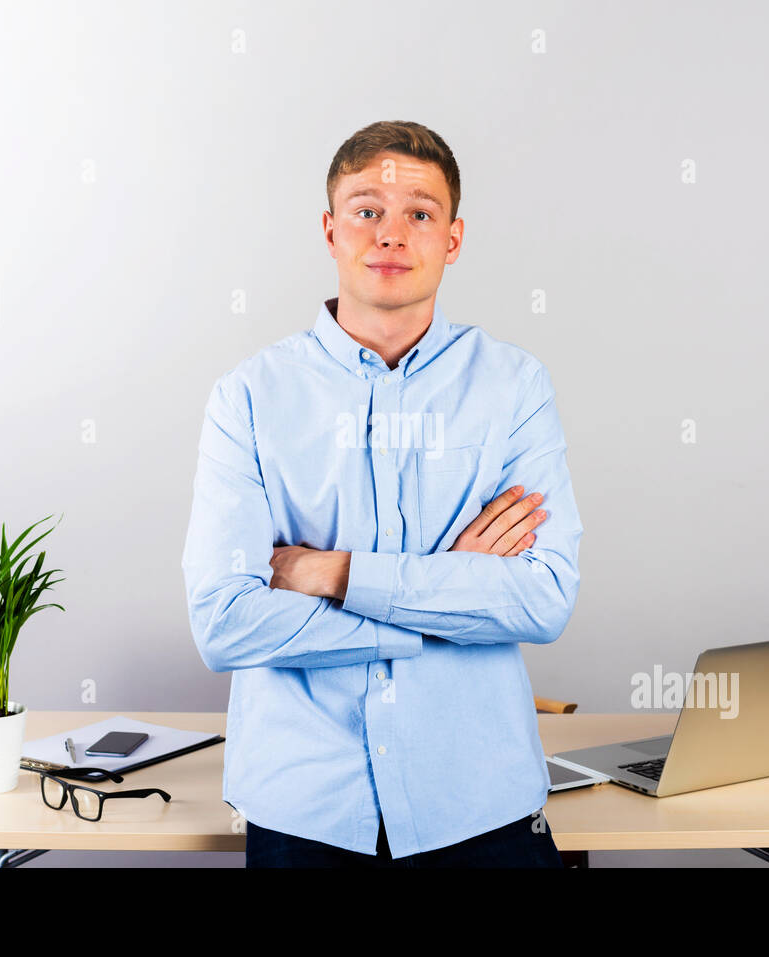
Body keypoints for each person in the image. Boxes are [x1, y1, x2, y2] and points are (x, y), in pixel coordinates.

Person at [181, 120, 583, 867]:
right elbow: (224, 622)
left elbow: (543, 598)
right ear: (331, 231)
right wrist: (443, 604)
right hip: (307, 813)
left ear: (453, 239)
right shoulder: (248, 397)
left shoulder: (513, 386)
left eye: (419, 213)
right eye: (367, 210)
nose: (391, 234)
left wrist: (332, 573)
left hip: (483, 805)